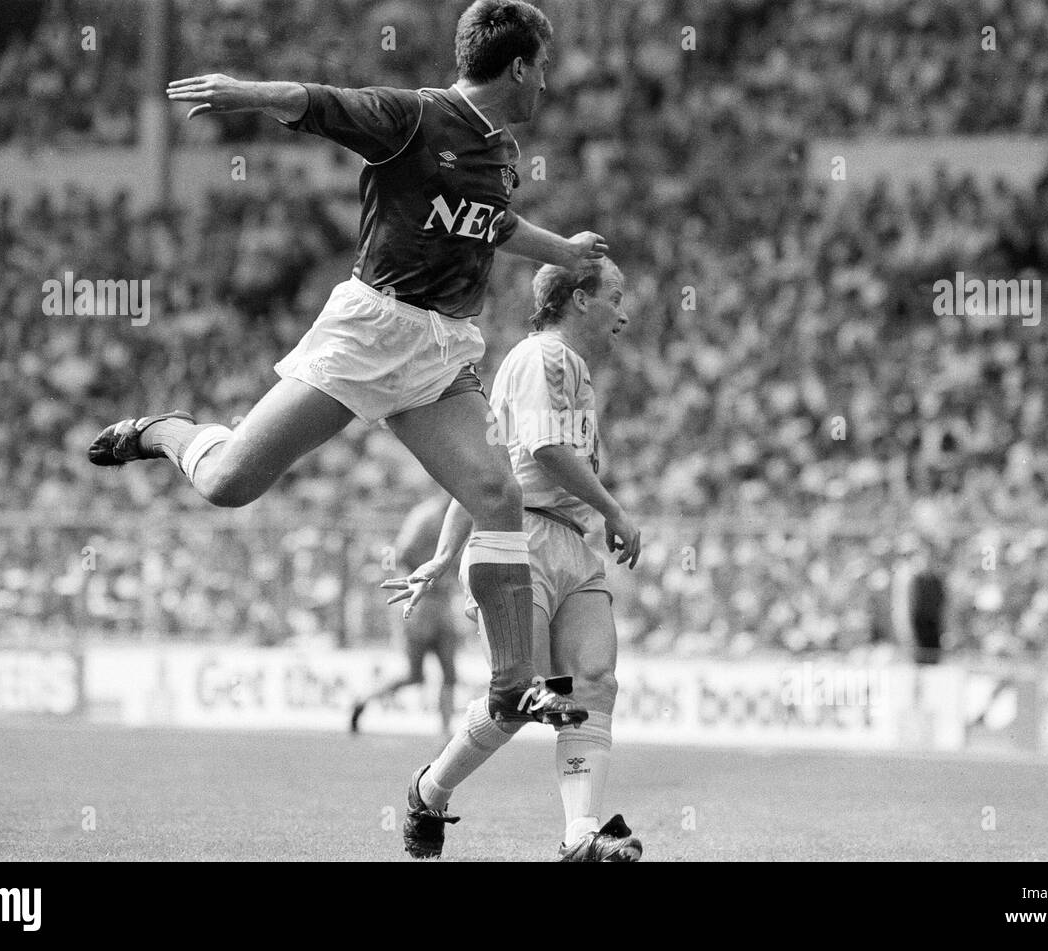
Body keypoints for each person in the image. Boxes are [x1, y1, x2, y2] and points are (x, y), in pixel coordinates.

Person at [87, 0, 615, 727]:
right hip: (369, 334)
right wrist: (241, 93)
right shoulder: (414, 117)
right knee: (228, 482)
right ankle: (165, 429)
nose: (547, 85)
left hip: (441, 350)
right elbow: (319, 103)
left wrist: (564, 252)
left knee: (497, 494)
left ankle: (511, 683)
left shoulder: (501, 152)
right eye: (543, 69)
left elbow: (492, 224)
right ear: (518, 66)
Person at [383, 256, 643, 861]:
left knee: (592, 683)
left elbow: (487, 466)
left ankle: (580, 835)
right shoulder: (544, 358)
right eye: (615, 296)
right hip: (518, 540)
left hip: (569, 546)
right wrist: (615, 511)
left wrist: (445, 553)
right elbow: (546, 451)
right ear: (580, 300)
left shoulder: (563, 367)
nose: (623, 315)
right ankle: (429, 790)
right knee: (520, 697)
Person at [351, 494, 460, 737]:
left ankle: (446, 734)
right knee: (414, 675)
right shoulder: (426, 517)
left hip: (442, 603)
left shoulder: (460, 515)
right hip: (420, 603)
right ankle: (363, 698)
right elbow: (395, 552)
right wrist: (392, 580)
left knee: (450, 673)